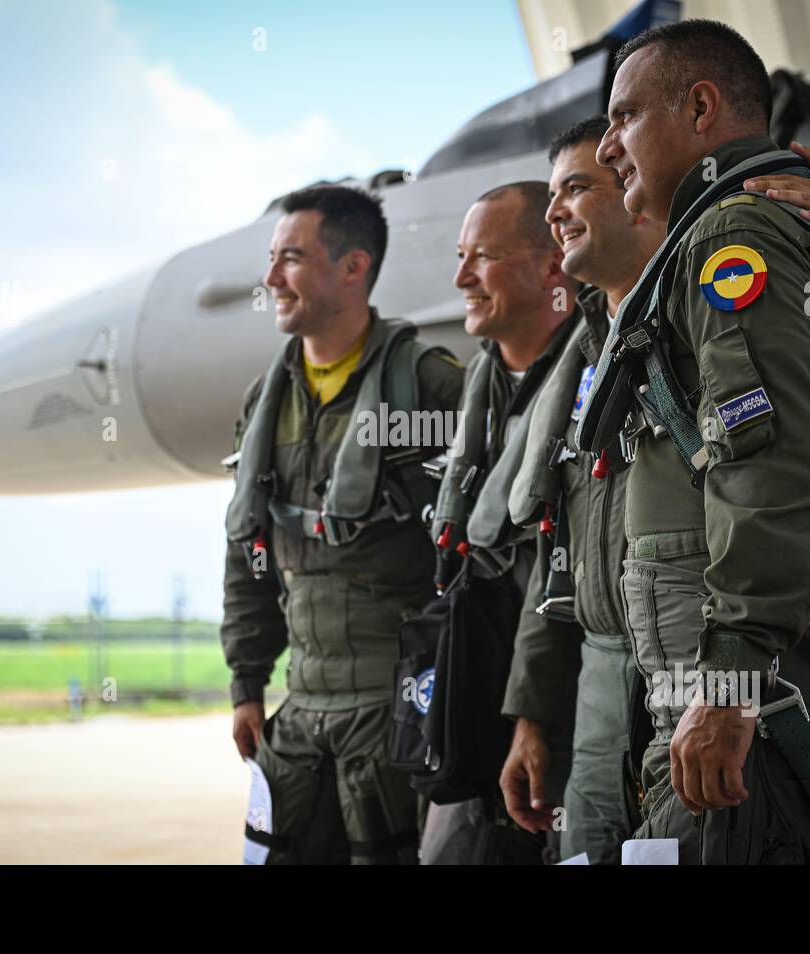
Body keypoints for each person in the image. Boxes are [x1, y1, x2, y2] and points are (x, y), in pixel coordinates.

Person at [576, 18, 810, 863]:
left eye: (623, 119)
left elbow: (770, 464)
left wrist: (730, 681)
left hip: (745, 698)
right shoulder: (762, 230)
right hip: (735, 685)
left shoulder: (730, 236)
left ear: (701, 106)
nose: (606, 150)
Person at [220, 184, 463, 864]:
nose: (271, 279)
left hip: (398, 712)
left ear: (353, 267)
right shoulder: (264, 403)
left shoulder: (433, 390)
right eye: (272, 259)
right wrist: (247, 683)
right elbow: (249, 551)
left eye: (291, 258)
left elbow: (487, 556)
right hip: (298, 715)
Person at [499, 117, 663, 864]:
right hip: (599, 696)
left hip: (699, 682)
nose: (555, 210)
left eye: (575, 188)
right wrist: (531, 716)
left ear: (633, 189)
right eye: (551, 195)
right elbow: (556, 554)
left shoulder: (713, 314)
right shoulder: (583, 364)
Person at [418, 181, 581, 865]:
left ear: (551, 269)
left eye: (480, 257)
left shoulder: (597, 384)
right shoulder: (478, 392)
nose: (460, 278)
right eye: (460, 256)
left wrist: (533, 719)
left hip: (561, 717)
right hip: (474, 705)